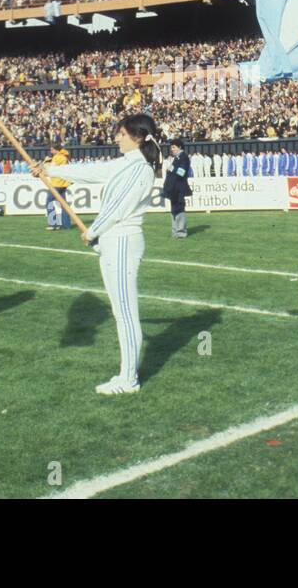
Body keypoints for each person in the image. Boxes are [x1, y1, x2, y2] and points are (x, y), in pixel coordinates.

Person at [34, 113, 159, 394]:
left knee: (126, 313)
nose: (116, 138)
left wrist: (94, 231)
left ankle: (129, 381)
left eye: (122, 134)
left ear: (137, 137)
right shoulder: (124, 164)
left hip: (124, 240)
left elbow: (119, 208)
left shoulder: (141, 169)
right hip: (113, 242)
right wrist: (49, 170)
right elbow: (90, 172)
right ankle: (125, 375)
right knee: (120, 312)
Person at [162, 138, 192, 239]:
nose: (172, 149)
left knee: (179, 209)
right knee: (174, 209)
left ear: (179, 147)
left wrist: (172, 172)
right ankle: (175, 232)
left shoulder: (184, 158)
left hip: (178, 188)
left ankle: (181, 232)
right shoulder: (176, 158)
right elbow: (171, 171)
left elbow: (181, 173)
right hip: (173, 188)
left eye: (174, 147)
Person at [44, 143, 72, 231]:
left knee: (49, 202)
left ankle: (53, 224)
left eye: (52, 149)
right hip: (63, 183)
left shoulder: (57, 157)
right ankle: (66, 224)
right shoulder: (64, 157)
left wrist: (46, 162)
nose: (50, 151)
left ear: (56, 150)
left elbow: (50, 169)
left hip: (56, 183)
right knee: (64, 205)